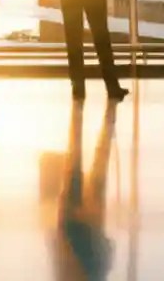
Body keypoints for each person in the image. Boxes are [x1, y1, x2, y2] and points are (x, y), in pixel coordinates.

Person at [44, 100, 117, 280]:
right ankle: (84, 100)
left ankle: (107, 104)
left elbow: (103, 257)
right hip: (79, 228)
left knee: (96, 161)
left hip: (85, 230)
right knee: (83, 158)